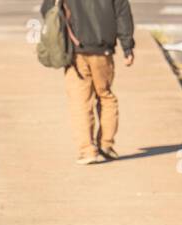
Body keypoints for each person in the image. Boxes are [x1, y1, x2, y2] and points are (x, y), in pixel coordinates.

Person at [40, 0, 136, 164]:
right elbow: (122, 13)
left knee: (79, 102)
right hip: (103, 50)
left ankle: (87, 151)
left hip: (75, 51)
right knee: (105, 96)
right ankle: (106, 144)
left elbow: (47, 10)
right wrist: (127, 47)